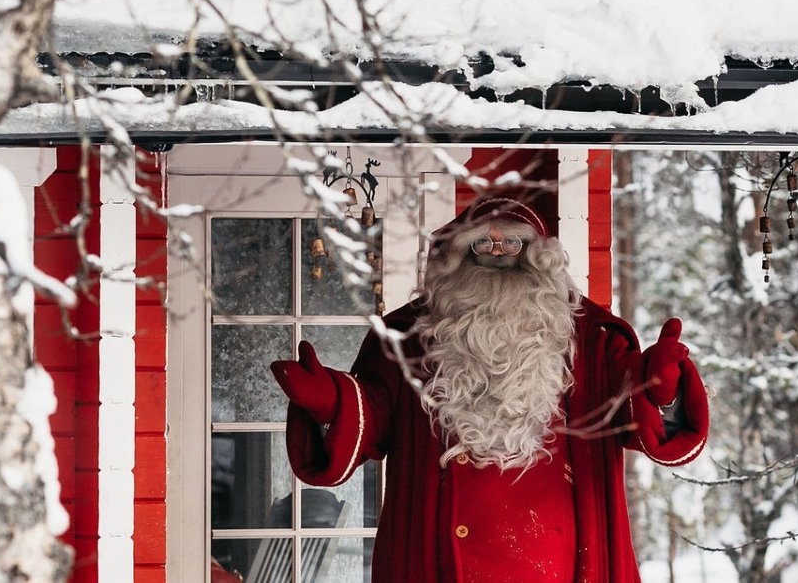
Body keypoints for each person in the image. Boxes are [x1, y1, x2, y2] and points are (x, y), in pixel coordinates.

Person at [271, 196, 710, 582]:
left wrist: (663, 392)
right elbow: (373, 412)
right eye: (483, 243)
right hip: (440, 566)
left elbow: (636, 414)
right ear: (457, 256)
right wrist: (330, 404)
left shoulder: (591, 339)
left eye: (513, 243)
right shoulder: (408, 336)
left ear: (538, 257)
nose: (498, 253)